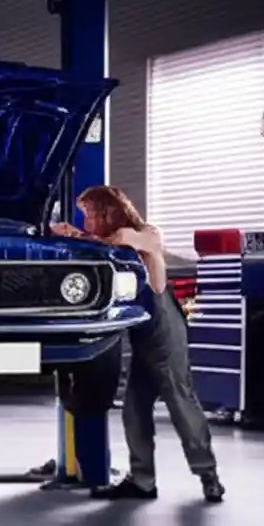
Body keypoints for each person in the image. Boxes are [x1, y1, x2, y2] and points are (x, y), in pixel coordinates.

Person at [51, 186, 226, 503]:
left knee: (182, 407)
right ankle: (143, 481)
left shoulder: (147, 233)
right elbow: (105, 245)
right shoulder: (110, 246)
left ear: (110, 211)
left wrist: (102, 235)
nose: (87, 221)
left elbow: (136, 241)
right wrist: (70, 234)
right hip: (143, 341)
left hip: (166, 337)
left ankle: (209, 477)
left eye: (91, 214)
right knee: (134, 412)